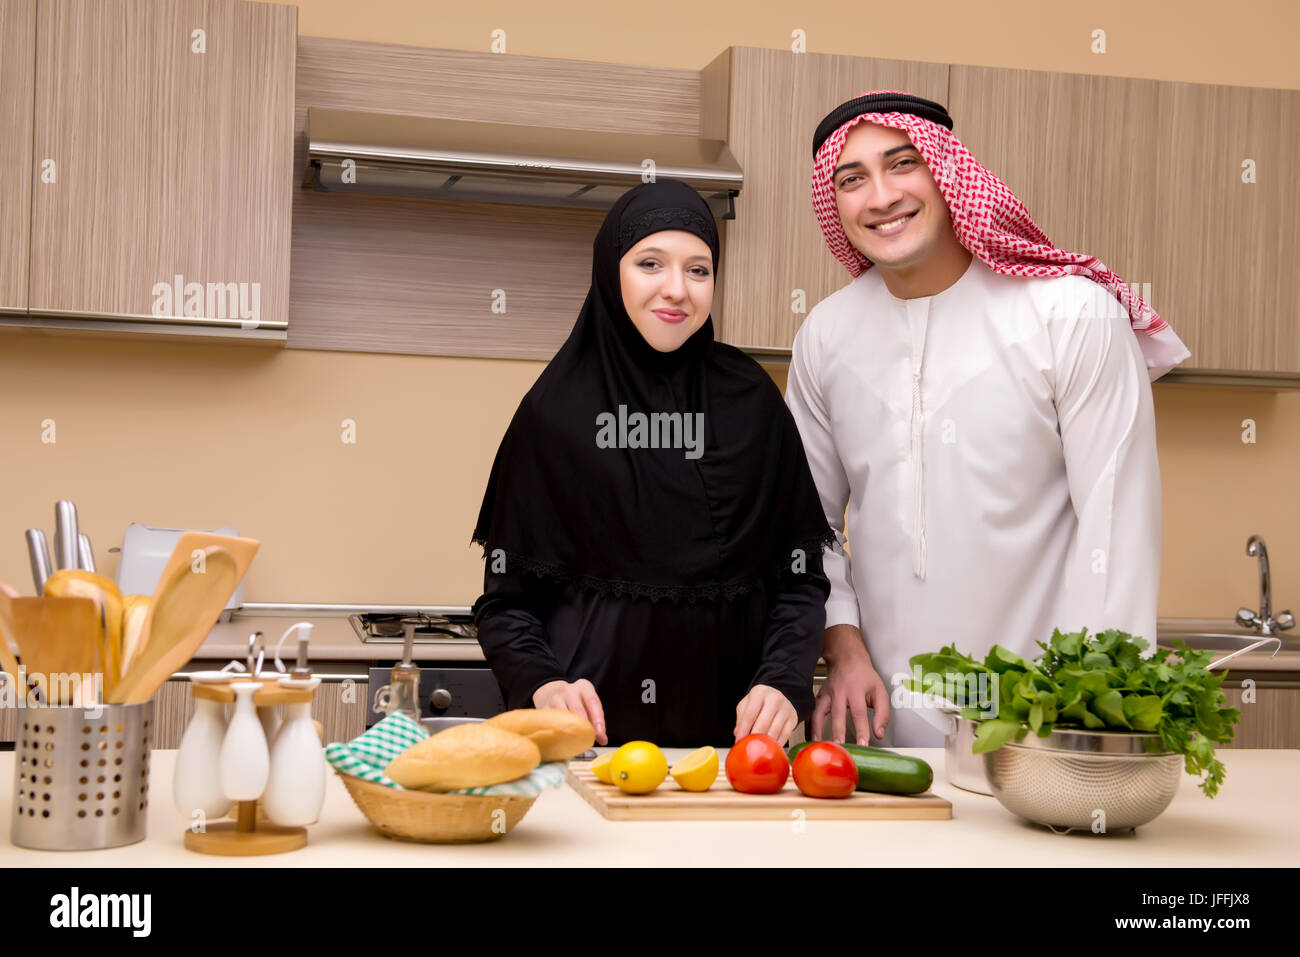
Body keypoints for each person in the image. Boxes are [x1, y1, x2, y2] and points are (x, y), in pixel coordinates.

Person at [787, 91, 1190, 748]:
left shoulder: (1071, 315)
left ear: (949, 174)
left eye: (902, 164)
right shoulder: (826, 336)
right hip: (881, 731)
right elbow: (809, 526)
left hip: (1042, 726)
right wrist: (843, 648)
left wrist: (1085, 719)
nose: (880, 195)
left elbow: (1116, 534)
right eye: (851, 179)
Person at [470, 178, 836, 748]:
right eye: (650, 264)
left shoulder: (752, 403)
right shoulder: (555, 414)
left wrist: (786, 680)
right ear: (610, 272)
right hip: (588, 752)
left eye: (698, 270)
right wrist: (542, 685)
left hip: (734, 761)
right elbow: (505, 603)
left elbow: (799, 581)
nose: (676, 290)